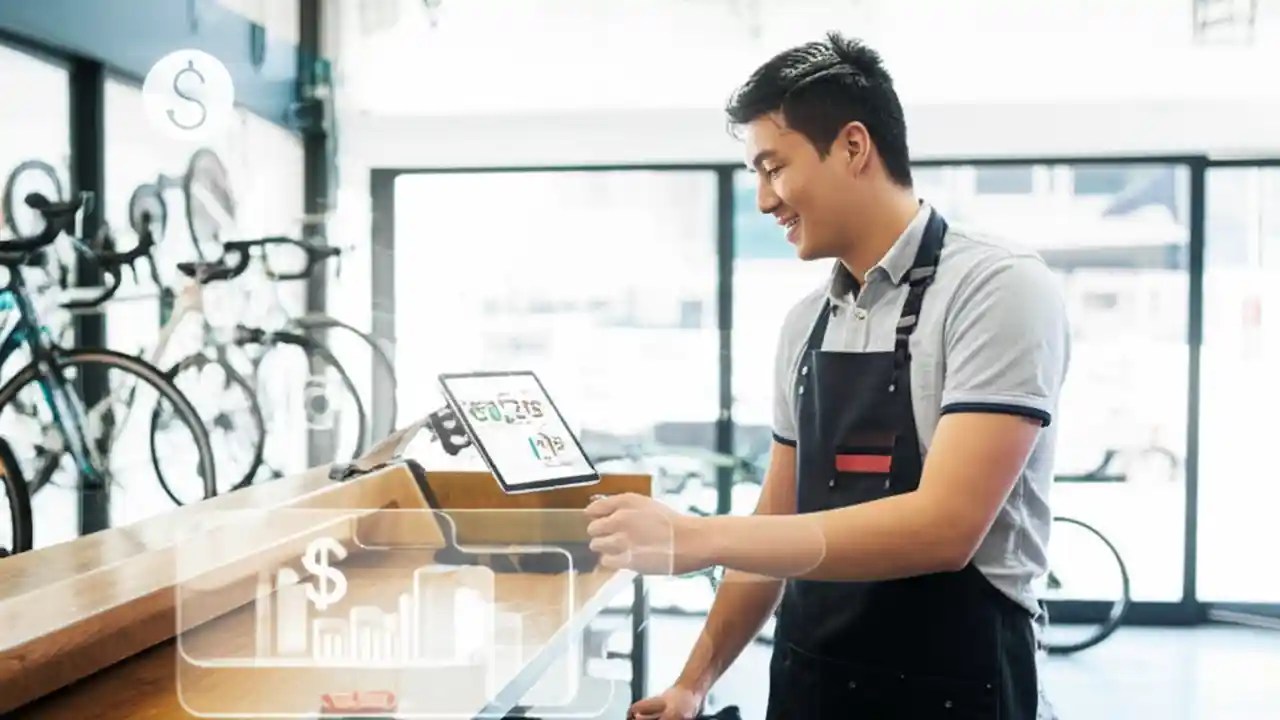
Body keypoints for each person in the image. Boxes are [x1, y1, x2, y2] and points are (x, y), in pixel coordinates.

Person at [584, 31, 1070, 720]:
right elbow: (776, 527)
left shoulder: (997, 288)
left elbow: (945, 528)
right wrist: (694, 683)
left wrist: (699, 536)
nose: (763, 199)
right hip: (813, 688)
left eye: (774, 166)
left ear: (852, 145)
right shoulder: (806, 325)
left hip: (959, 692)